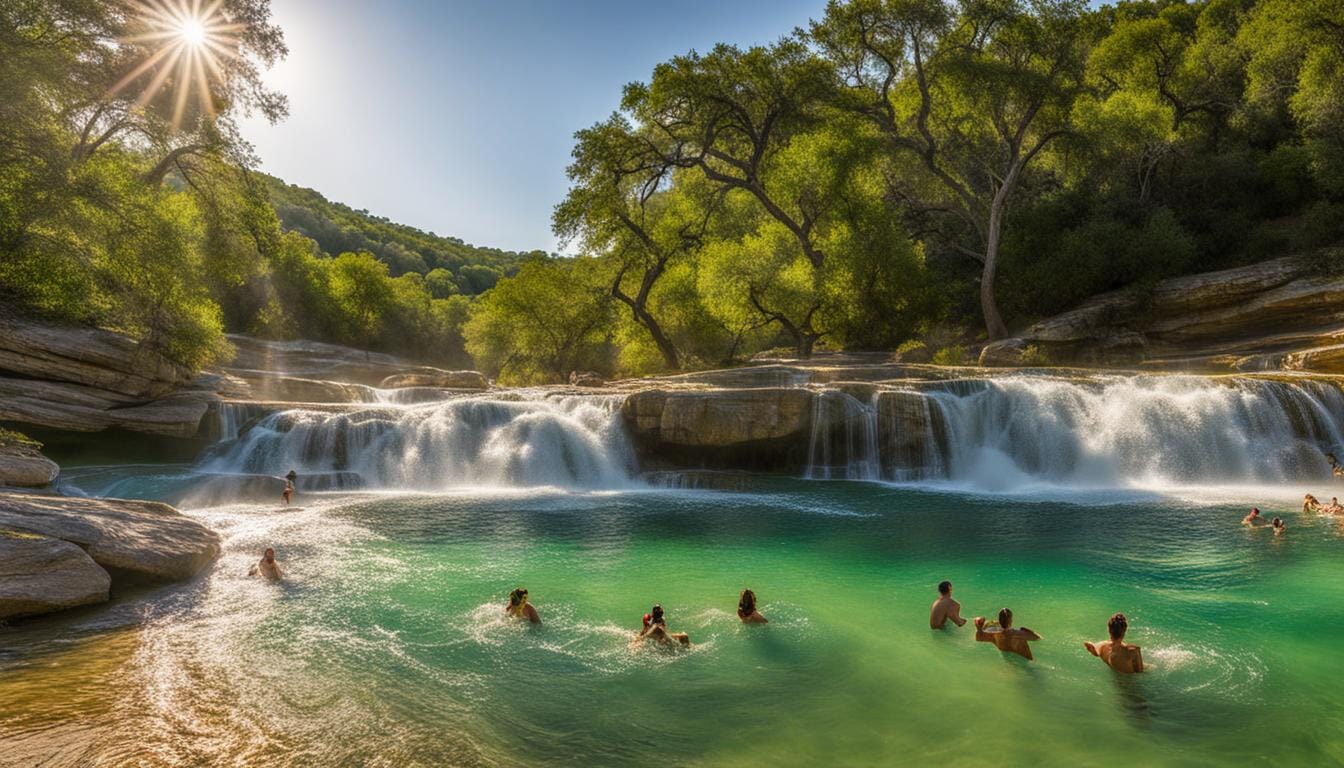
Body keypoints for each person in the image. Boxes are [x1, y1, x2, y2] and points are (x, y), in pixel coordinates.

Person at [974, 608, 1041, 661]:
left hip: (1010, 664)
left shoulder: (994, 635)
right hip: (1026, 664)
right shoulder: (1019, 634)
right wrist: (1029, 631)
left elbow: (978, 638)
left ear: (999, 621)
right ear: (1011, 620)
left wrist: (979, 628)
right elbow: (1038, 638)